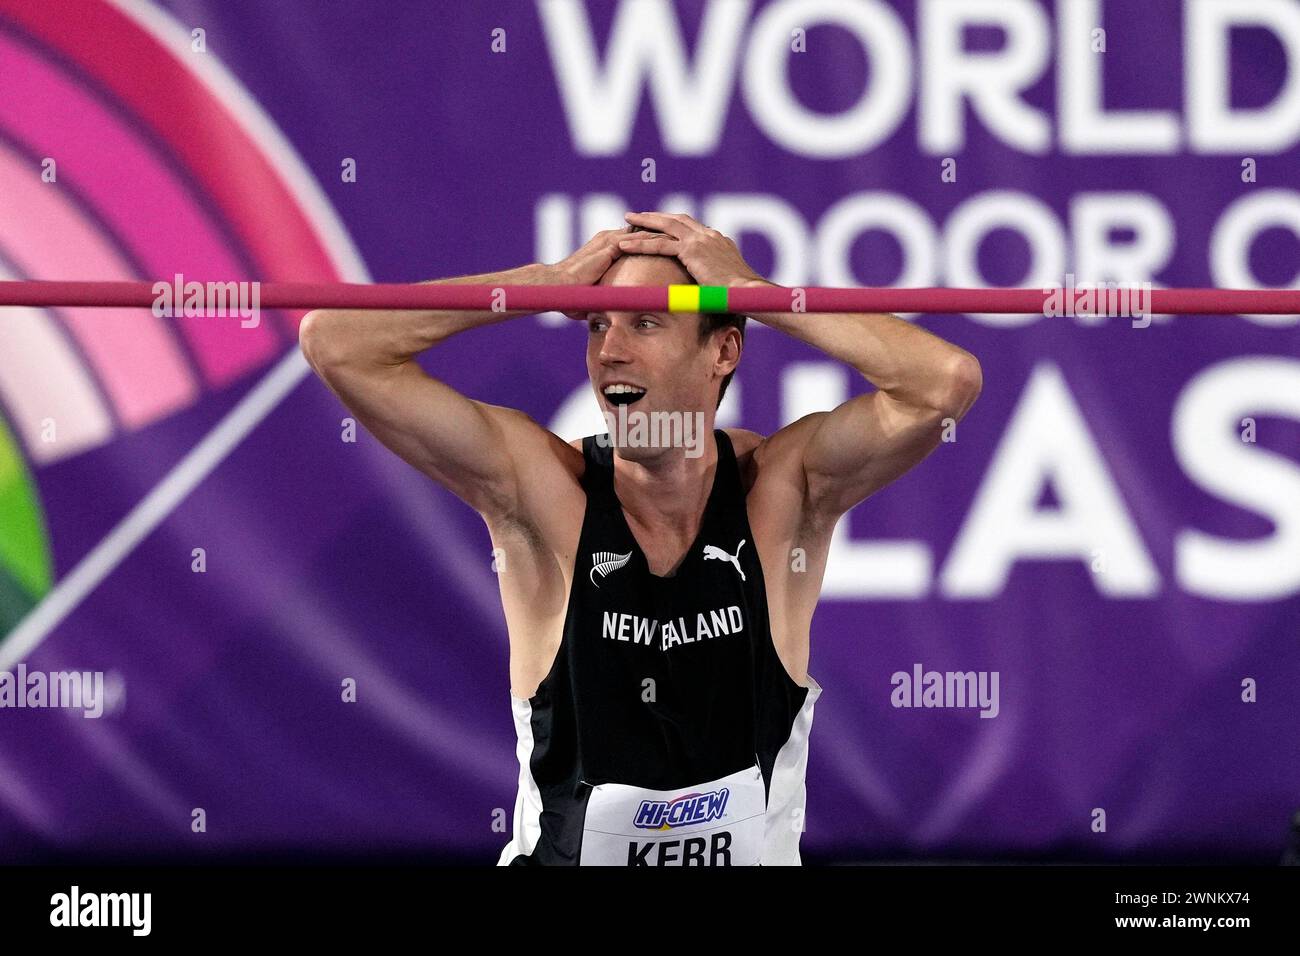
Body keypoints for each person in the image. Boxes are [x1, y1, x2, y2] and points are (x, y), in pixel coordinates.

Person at [298, 211, 982, 865]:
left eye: (645, 323)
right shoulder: (543, 493)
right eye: (596, 325)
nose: (610, 352)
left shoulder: (780, 495)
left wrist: (755, 294)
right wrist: (542, 282)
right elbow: (337, 341)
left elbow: (942, 383)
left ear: (723, 350)